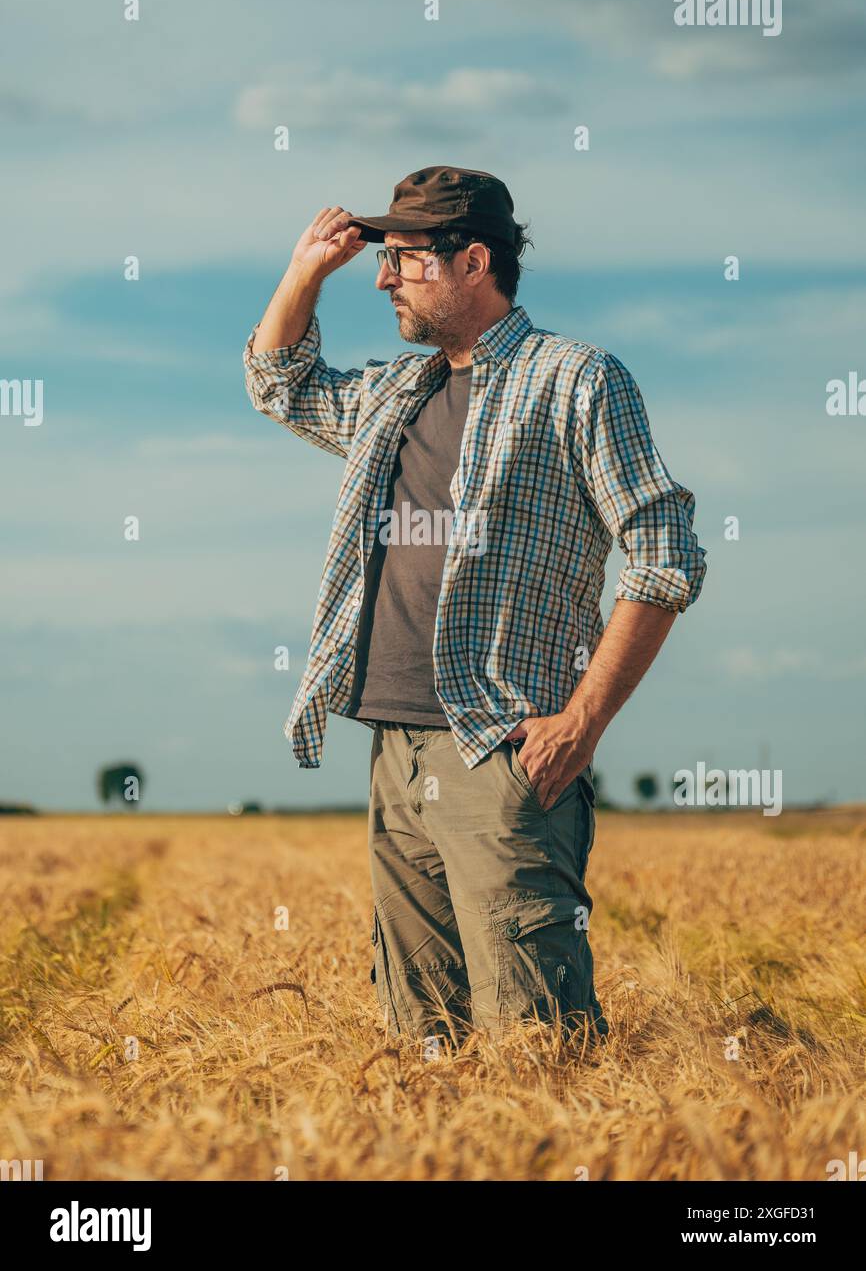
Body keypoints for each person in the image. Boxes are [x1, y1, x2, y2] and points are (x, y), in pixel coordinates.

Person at [243, 165, 707, 1048]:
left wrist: (583, 722)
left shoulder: (577, 380)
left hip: (500, 751)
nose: (384, 279)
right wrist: (305, 271)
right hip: (393, 747)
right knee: (424, 1044)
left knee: (537, 1041)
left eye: (405, 259)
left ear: (473, 261)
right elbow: (282, 385)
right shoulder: (395, 392)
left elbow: (663, 553)